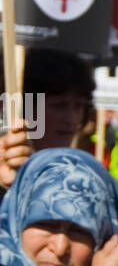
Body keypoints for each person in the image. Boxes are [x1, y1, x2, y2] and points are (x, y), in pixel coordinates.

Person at [0, 50, 95, 192]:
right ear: (25, 107)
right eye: (59, 106)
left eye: (78, 106)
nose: (71, 119)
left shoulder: (83, 175)